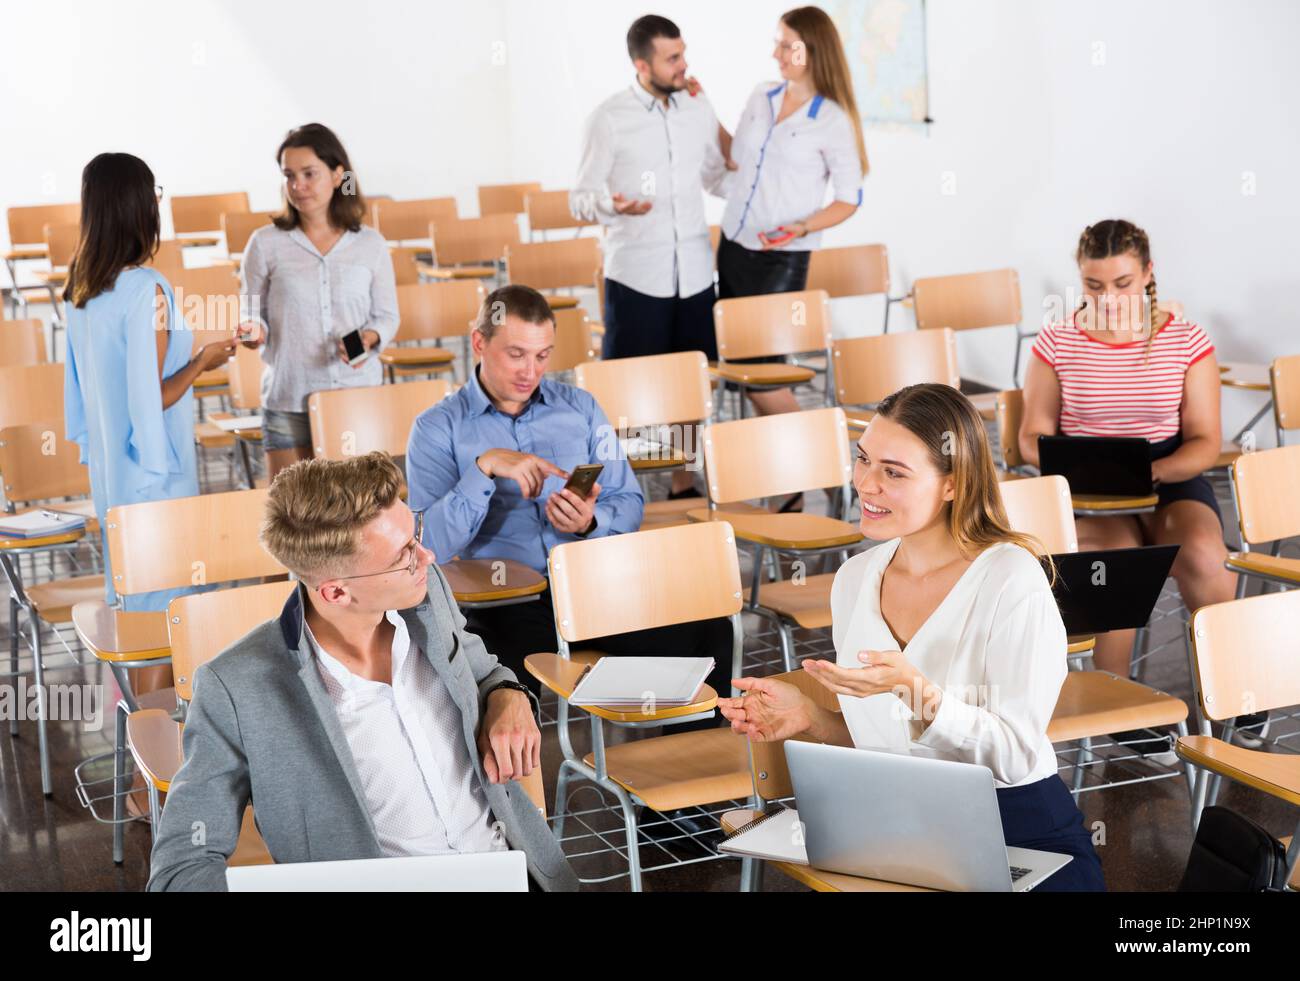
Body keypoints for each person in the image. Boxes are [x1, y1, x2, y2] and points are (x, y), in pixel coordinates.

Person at [718, 384, 1106, 891]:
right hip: (902, 823)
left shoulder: (1012, 578)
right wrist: (812, 718)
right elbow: (884, 743)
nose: (866, 484)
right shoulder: (855, 578)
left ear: (952, 483)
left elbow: (1012, 754)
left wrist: (918, 694)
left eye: (893, 472)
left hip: (1015, 823)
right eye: (863, 461)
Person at [147, 453, 577, 892]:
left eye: (416, 535)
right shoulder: (238, 689)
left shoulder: (427, 596)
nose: (426, 557)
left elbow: (482, 669)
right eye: (403, 555)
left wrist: (510, 695)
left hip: (514, 875)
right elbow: (181, 868)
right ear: (335, 591)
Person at [405, 285, 733, 703]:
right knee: (499, 684)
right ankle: (521, 768)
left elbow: (628, 500)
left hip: (596, 586)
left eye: (542, 356)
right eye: (516, 354)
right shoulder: (436, 428)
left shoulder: (579, 406)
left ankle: (693, 765)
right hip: (507, 600)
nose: (530, 371)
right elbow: (427, 543)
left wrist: (590, 523)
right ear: (479, 343)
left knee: (710, 631)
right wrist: (483, 469)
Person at [1019, 218, 1247, 746]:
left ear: (1147, 274)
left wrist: (1153, 474)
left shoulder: (1186, 339)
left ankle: (1238, 688)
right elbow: (1031, 436)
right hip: (1091, 485)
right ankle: (1115, 703)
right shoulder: (1057, 341)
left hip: (1168, 474)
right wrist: (1075, 467)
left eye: (1122, 284)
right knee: (1110, 569)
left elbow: (1205, 441)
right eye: (1094, 286)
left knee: (1205, 553)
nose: (1108, 298)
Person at [63, 152, 236, 611]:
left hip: (113, 471)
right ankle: (156, 689)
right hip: (154, 472)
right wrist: (202, 361)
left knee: (134, 598)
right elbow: (152, 397)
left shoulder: (79, 288)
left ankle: (136, 688)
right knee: (168, 608)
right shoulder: (147, 290)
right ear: (140, 206)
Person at [571, 14, 731, 499]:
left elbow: (715, 175)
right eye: (672, 58)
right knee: (622, 387)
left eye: (683, 53)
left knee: (690, 383)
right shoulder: (608, 118)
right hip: (638, 274)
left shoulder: (696, 108)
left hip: (696, 272)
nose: (684, 65)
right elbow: (579, 197)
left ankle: (684, 480)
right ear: (642, 64)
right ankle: (611, 489)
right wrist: (610, 205)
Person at [717, 5, 868, 422]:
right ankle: (782, 476)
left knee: (763, 372)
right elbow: (735, 157)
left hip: (781, 259)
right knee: (739, 365)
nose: (776, 54)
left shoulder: (833, 120)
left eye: (787, 46)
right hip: (733, 246)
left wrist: (801, 226)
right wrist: (700, 111)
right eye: (776, 44)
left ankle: (805, 468)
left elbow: (849, 198)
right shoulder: (761, 95)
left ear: (813, 52)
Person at [237, 123, 398, 481]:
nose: (298, 186)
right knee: (294, 518)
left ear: (338, 174)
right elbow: (251, 310)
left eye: (309, 174)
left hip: (354, 398)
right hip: (288, 395)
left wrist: (368, 338)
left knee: (356, 515)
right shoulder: (264, 243)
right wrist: (254, 330)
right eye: (289, 176)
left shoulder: (370, 244)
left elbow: (386, 316)